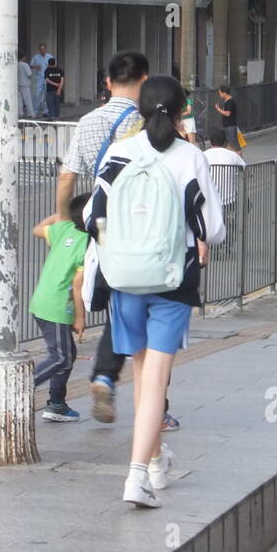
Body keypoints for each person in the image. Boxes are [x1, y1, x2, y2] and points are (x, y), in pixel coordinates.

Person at [84, 76, 225, 508]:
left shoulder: (119, 152)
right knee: (155, 381)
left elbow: (92, 215)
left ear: (139, 109)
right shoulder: (190, 157)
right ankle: (136, 477)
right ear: (183, 110)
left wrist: (115, 250)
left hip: (125, 279)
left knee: (144, 378)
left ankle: (157, 459)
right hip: (172, 280)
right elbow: (213, 229)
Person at [55, 51, 171, 429]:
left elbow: (67, 177)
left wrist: (63, 222)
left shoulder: (87, 121)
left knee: (123, 300)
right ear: (145, 79)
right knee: (148, 304)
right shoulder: (149, 120)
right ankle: (154, 403)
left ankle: (106, 375)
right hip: (144, 223)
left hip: (101, 221)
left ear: (107, 83)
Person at [29, 194, 90, 422]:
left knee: (67, 354)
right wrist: (80, 317)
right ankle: (23, 387)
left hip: (42, 301)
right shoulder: (87, 244)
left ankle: (57, 403)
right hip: (57, 306)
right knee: (62, 357)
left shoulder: (63, 229)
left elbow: (38, 229)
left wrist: (61, 217)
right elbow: (78, 285)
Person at [204, 125, 245, 236]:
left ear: (210, 142)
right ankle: (233, 227)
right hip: (229, 201)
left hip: (209, 200)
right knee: (246, 204)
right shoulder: (233, 155)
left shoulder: (202, 156)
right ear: (226, 142)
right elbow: (247, 171)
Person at [31, 43, 55, 116]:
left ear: (45, 49)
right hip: (39, 79)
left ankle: (46, 111)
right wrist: (35, 66)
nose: (42, 50)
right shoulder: (36, 57)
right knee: (37, 95)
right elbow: (31, 65)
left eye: (43, 49)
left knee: (46, 96)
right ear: (39, 50)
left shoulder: (49, 56)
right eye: (41, 49)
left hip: (47, 79)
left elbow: (54, 66)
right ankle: (35, 111)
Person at [44, 56, 65, 120]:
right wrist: (59, 88)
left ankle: (52, 117)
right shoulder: (59, 70)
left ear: (48, 63)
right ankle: (57, 117)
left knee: (50, 105)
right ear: (55, 63)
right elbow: (62, 80)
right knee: (57, 104)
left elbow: (47, 80)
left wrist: (55, 84)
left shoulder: (47, 70)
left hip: (50, 90)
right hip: (58, 90)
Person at [17, 52, 35, 118]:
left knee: (19, 100)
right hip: (25, 84)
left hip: (18, 84)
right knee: (28, 100)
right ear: (23, 57)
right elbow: (29, 74)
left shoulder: (16, 64)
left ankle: (20, 113)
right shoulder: (25, 65)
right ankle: (31, 114)